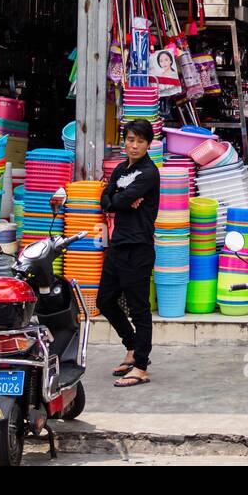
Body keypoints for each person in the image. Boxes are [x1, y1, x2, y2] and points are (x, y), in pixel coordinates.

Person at [97, 119, 161, 388]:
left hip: (138, 248)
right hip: (118, 244)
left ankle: (141, 366)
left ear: (148, 144)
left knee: (139, 310)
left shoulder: (149, 173)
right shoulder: (122, 168)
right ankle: (132, 346)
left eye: (140, 141)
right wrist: (119, 199)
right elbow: (106, 199)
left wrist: (118, 198)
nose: (134, 145)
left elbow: (117, 200)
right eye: (130, 139)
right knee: (104, 301)